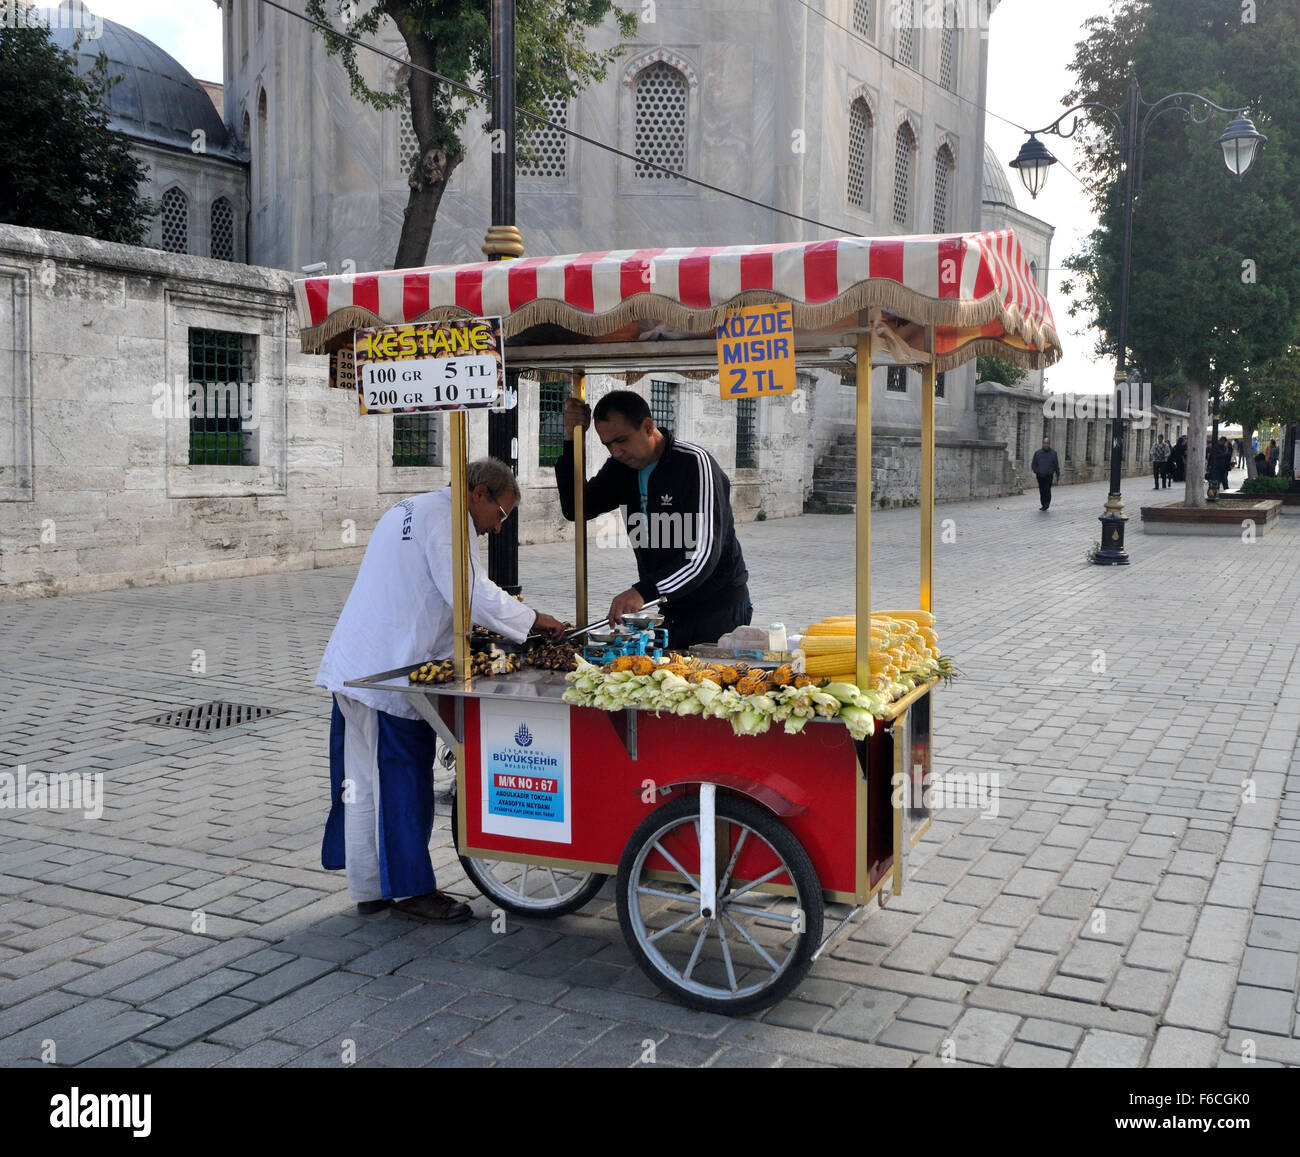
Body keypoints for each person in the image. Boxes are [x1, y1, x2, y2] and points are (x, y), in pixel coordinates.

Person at [316, 458, 566, 923]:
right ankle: (411, 891)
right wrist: (534, 621)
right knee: (399, 779)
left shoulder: (413, 507)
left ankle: (370, 885)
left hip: (362, 660)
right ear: (480, 494)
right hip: (387, 669)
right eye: (502, 514)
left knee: (364, 779)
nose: (498, 528)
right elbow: (470, 594)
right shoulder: (447, 521)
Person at [556, 389, 751, 648]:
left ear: (648, 427)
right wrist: (572, 440)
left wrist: (644, 591)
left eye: (621, 440)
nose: (616, 452)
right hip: (670, 608)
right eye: (607, 444)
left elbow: (701, 557)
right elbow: (576, 508)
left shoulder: (694, 465)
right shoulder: (622, 469)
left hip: (717, 609)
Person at [1030, 436, 1061, 511]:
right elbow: (1033, 464)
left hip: (1049, 475)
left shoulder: (1053, 453)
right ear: (1042, 444)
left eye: (1047, 443)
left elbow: (1056, 464)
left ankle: (1046, 504)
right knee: (1042, 490)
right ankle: (1043, 503)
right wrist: (1036, 470)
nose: (1046, 445)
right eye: (1044, 443)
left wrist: (1057, 474)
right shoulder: (1037, 453)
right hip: (1040, 475)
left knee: (1047, 489)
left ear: (1049, 444)